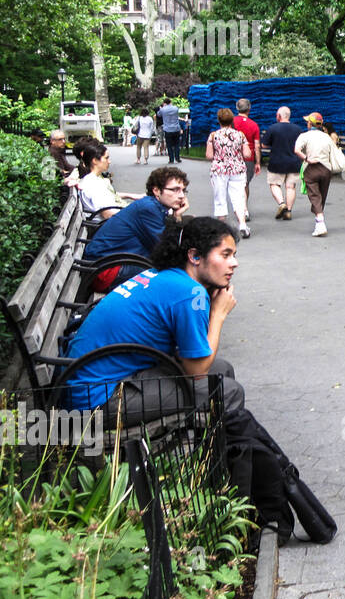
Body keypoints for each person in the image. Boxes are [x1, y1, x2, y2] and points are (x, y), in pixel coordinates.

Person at [59, 217, 246, 427]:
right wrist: (218, 315)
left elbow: (189, 356)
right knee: (228, 391)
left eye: (234, 255)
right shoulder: (190, 293)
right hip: (95, 403)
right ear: (194, 256)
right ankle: (224, 456)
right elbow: (196, 371)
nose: (234, 263)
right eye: (225, 255)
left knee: (222, 368)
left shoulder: (161, 275)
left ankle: (214, 449)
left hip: (85, 382)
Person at [82, 166, 189, 292]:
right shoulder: (149, 209)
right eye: (175, 190)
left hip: (106, 265)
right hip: (105, 272)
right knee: (179, 272)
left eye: (183, 190)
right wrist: (177, 217)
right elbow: (166, 249)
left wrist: (176, 216)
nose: (181, 196)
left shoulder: (153, 205)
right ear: (156, 190)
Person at [206, 108, 252, 239]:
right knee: (238, 197)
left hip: (219, 170)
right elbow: (247, 154)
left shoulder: (213, 136)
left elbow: (209, 155)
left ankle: (222, 229)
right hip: (237, 169)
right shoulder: (240, 135)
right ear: (232, 120)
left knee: (220, 197)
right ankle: (243, 225)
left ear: (218, 120)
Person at [73, 138, 142, 219]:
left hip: (111, 222)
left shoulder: (93, 179)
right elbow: (107, 214)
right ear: (95, 160)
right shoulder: (93, 184)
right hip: (109, 226)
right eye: (106, 158)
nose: (109, 162)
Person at [294, 112, 335, 237]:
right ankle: (318, 220)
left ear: (310, 123)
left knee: (315, 196)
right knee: (321, 196)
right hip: (326, 169)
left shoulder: (304, 136)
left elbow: (296, 150)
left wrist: (306, 158)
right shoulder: (327, 137)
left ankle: (320, 222)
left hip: (311, 168)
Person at [262, 106, 303, 220]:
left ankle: (282, 204)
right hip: (294, 163)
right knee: (291, 187)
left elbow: (264, 145)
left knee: (274, 184)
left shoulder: (273, 128)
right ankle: (288, 211)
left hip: (277, 162)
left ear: (279, 116)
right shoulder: (298, 129)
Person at [232, 98, 261, 224]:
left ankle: (238, 208)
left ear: (237, 108)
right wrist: (258, 162)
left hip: (233, 156)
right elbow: (257, 145)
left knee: (234, 184)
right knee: (245, 184)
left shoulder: (231, 122)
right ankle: (244, 209)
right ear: (249, 109)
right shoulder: (253, 125)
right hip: (248, 157)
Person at [160, 98, 183, 163]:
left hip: (167, 129)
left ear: (164, 103)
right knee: (177, 144)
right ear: (170, 102)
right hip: (176, 128)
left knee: (169, 145)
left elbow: (159, 114)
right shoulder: (176, 108)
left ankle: (171, 159)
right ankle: (177, 158)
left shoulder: (163, 109)